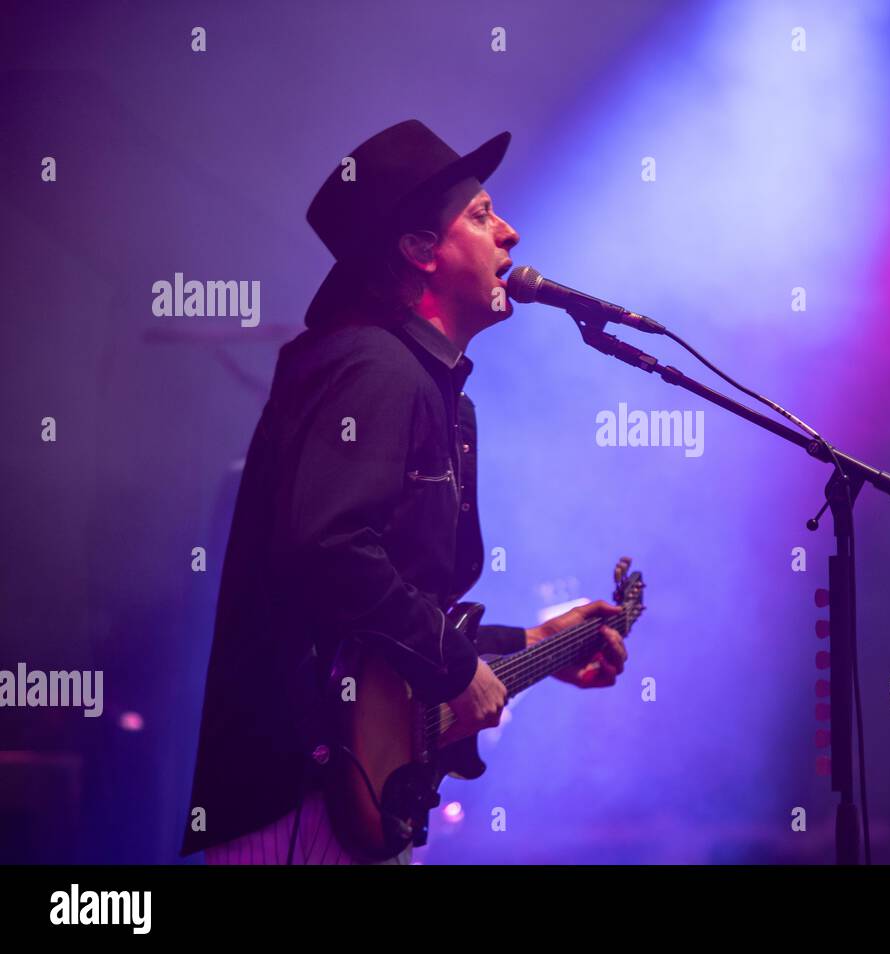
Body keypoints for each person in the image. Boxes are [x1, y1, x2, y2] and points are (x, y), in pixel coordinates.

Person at [180, 120, 628, 865]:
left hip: (352, 804)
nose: (510, 233)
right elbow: (326, 548)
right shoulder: (371, 366)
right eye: (482, 217)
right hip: (297, 801)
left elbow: (383, 633)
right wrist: (455, 667)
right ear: (420, 250)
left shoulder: (429, 387)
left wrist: (536, 645)